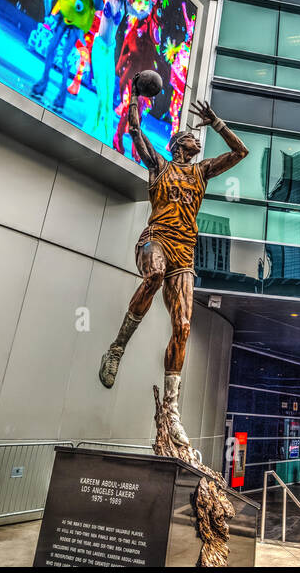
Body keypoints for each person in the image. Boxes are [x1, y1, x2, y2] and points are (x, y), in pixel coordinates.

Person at [97, 89, 248, 450]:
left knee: (182, 326)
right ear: (179, 144)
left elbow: (240, 152)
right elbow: (134, 130)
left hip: (185, 255)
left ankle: (171, 407)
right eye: (193, 137)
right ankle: (117, 348)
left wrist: (218, 123)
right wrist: (135, 95)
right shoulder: (159, 166)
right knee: (153, 274)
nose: (198, 139)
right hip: (156, 240)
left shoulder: (202, 171)